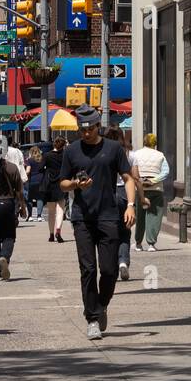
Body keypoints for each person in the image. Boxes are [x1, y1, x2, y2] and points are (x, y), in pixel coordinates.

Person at [60, 106, 135, 340]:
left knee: (109, 270)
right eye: (81, 129)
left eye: (90, 129)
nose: (86, 133)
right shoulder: (71, 151)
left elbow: (127, 177)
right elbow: (62, 183)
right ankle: (92, 318)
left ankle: (101, 305)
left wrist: (131, 205)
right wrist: (75, 185)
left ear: (98, 126)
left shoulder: (113, 149)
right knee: (88, 269)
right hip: (82, 217)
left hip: (109, 216)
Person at [104, 126, 139, 281]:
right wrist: (140, 198)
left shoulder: (103, 153)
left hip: (108, 195)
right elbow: (135, 178)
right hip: (125, 195)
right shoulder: (130, 154)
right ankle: (123, 262)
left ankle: (110, 263)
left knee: (108, 231)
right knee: (125, 232)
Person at [0, 155, 27, 280]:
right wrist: (23, 206)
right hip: (8, 204)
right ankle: (4, 256)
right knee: (9, 236)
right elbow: (19, 190)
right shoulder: (12, 167)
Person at [132, 133, 170, 252]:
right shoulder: (160, 155)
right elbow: (165, 172)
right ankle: (151, 244)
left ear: (144, 142)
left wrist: (141, 182)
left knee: (140, 216)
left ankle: (138, 243)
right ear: (155, 144)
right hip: (156, 189)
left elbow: (133, 172)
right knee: (154, 215)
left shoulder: (136, 154)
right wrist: (153, 180)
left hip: (140, 188)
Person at [43, 136, 67, 242]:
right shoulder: (65, 156)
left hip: (49, 184)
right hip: (61, 183)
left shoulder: (47, 155)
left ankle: (51, 234)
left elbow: (40, 167)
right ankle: (58, 230)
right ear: (63, 145)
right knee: (60, 209)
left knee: (51, 211)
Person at [25, 143, 46, 222]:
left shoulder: (29, 160)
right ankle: (39, 216)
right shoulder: (42, 159)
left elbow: (28, 170)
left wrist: (24, 176)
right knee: (39, 198)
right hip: (41, 180)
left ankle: (30, 216)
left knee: (30, 198)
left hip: (32, 181)